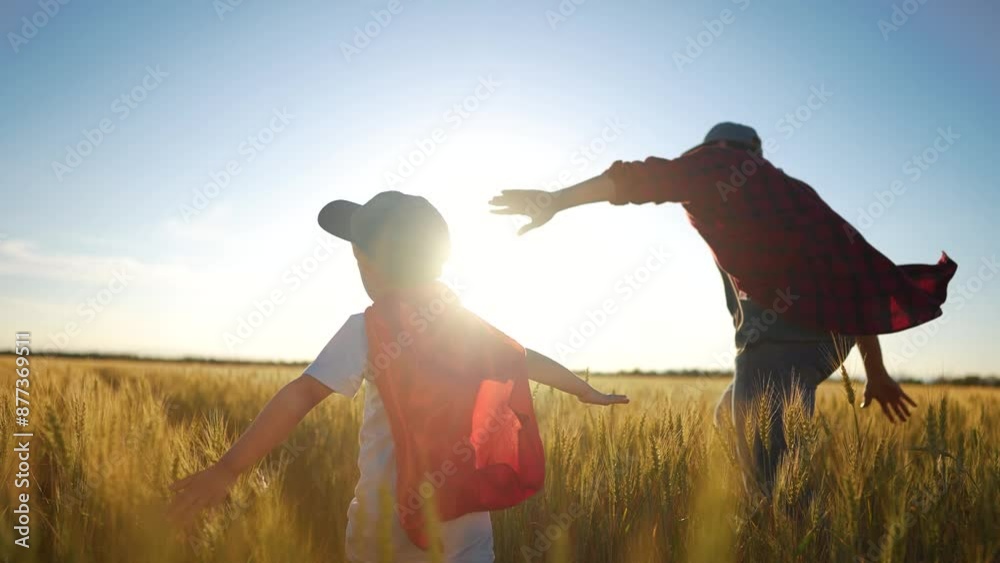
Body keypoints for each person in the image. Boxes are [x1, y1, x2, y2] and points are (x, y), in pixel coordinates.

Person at [489, 122, 956, 493]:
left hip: (778, 343)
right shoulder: (796, 195)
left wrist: (558, 199)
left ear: (719, 150)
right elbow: (853, 277)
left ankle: (786, 534)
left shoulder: (717, 164)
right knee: (731, 418)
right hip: (828, 343)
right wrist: (874, 371)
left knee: (777, 486)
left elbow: (640, 178)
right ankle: (750, 501)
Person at [168, 191, 629, 562]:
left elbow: (300, 395)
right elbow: (523, 358)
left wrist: (228, 469)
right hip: (464, 521)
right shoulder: (464, 325)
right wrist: (583, 389)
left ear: (367, 264)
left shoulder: (368, 328)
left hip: (382, 527)